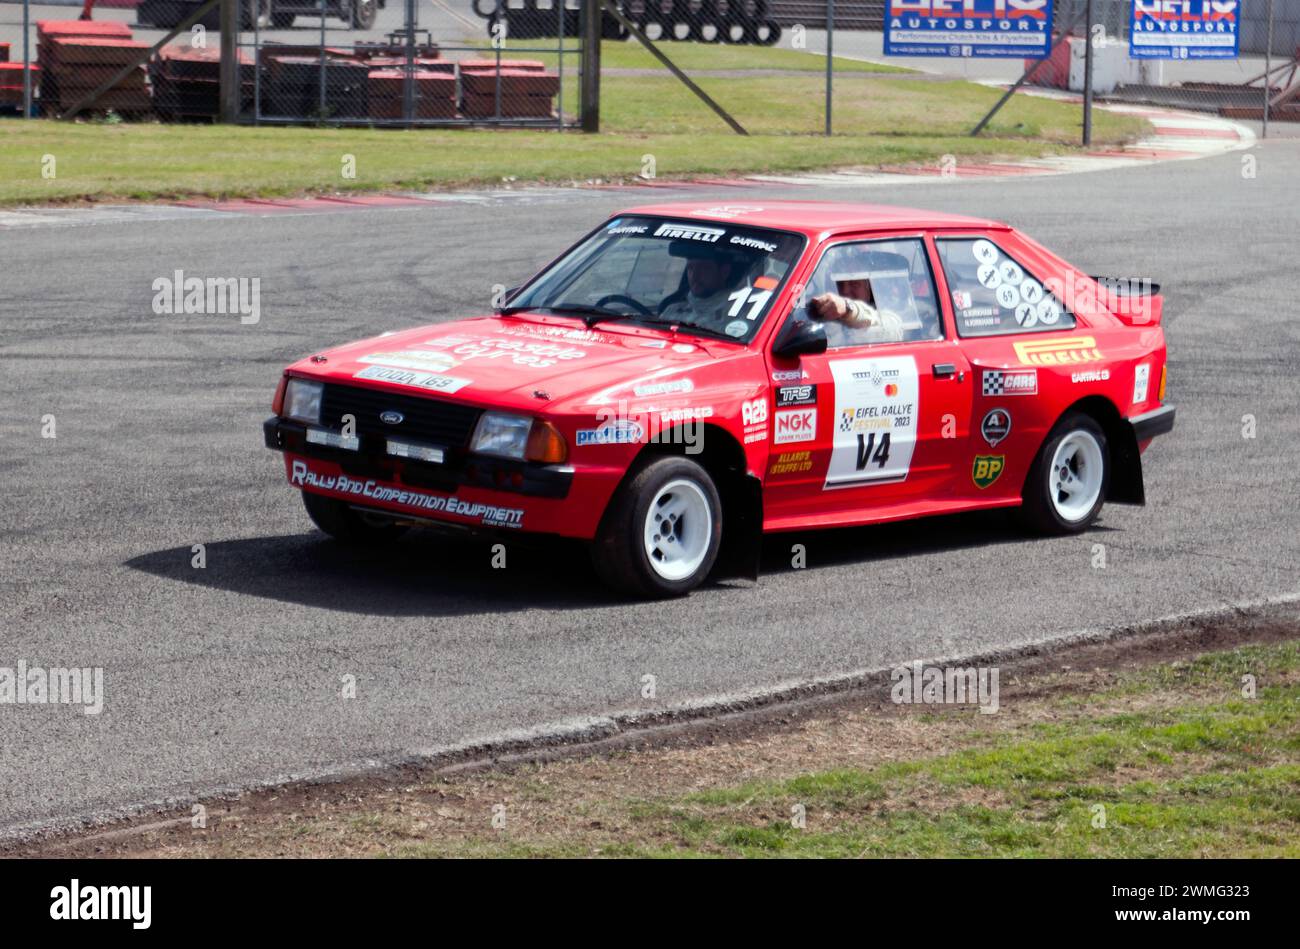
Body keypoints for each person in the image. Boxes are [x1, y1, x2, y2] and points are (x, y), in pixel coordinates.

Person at [659, 246, 746, 333]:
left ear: (724, 272)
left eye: (704, 268)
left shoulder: (737, 314)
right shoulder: (673, 310)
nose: (694, 275)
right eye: (690, 268)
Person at [809, 270, 904, 345]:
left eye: (854, 284)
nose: (845, 291)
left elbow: (892, 330)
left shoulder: (887, 317)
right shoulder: (819, 321)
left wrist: (848, 309)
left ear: (868, 289)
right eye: (839, 284)